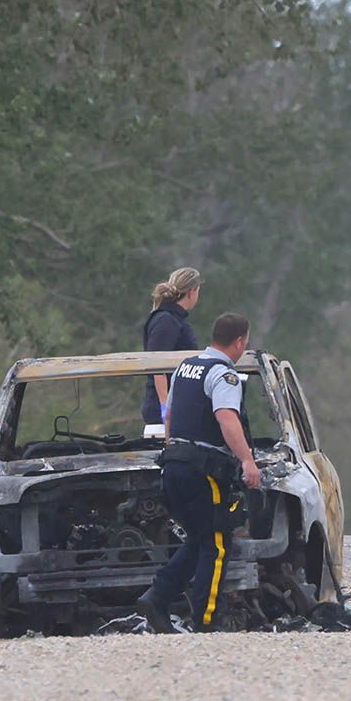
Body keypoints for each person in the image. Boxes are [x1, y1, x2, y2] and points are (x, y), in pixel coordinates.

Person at [136, 312, 261, 632]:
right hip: (202, 471)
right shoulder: (224, 375)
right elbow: (227, 419)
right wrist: (247, 460)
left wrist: (171, 448)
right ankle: (207, 620)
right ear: (239, 342)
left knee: (199, 539)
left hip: (173, 464)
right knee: (218, 543)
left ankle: (157, 597)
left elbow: (169, 414)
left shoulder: (185, 367)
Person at [141, 267, 202, 425]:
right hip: (165, 406)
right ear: (192, 291)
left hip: (180, 404)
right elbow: (158, 366)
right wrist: (165, 407)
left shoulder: (175, 320)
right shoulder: (166, 321)